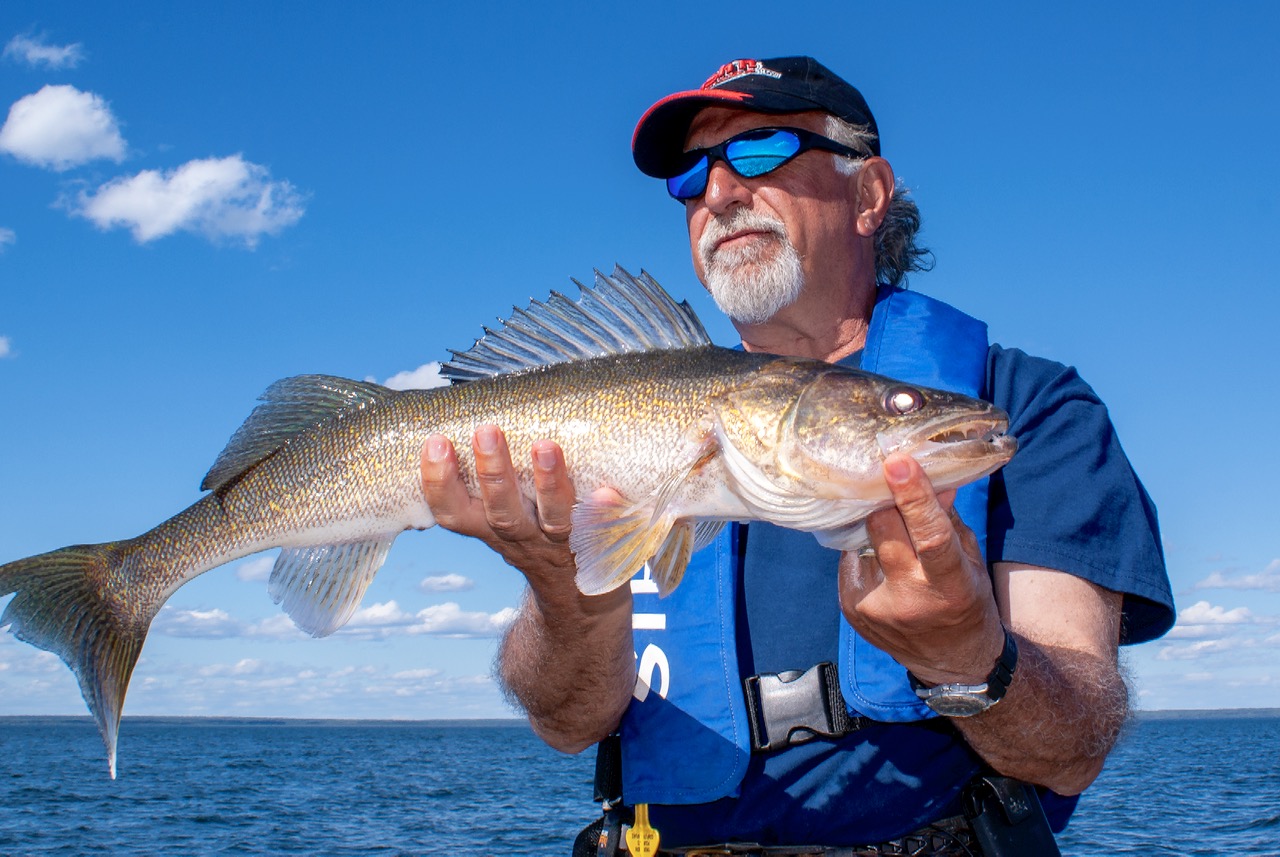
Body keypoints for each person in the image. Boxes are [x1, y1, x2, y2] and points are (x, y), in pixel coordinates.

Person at [420, 56, 1175, 855]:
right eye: (690, 176)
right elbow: (567, 723)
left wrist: (968, 655)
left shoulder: (1026, 404)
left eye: (758, 151)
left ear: (869, 193)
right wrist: (562, 591)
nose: (718, 193)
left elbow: (1075, 744)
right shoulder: (632, 429)